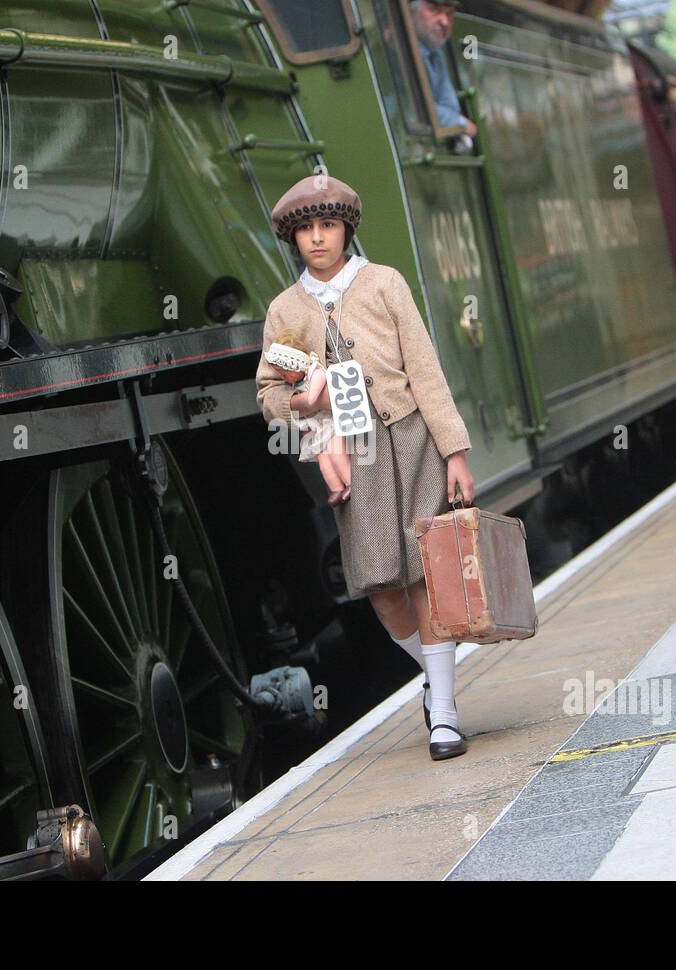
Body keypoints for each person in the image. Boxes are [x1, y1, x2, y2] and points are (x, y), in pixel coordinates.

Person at [255, 174, 476, 761]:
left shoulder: (384, 284)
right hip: (353, 455)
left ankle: (446, 713)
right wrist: (304, 402)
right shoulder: (284, 311)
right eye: (305, 230)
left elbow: (425, 369)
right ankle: (437, 673)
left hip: (412, 437)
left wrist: (455, 450)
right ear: (293, 240)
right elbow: (267, 394)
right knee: (381, 584)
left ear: (347, 229)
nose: (318, 239)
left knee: (426, 572)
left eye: (328, 226)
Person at [411, 1, 476, 143]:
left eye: (449, 13)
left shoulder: (435, 54)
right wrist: (461, 123)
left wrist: (455, 120)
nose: (445, 22)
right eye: (434, 10)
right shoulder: (399, 49)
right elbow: (412, 106)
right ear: (411, 13)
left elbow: (450, 106)